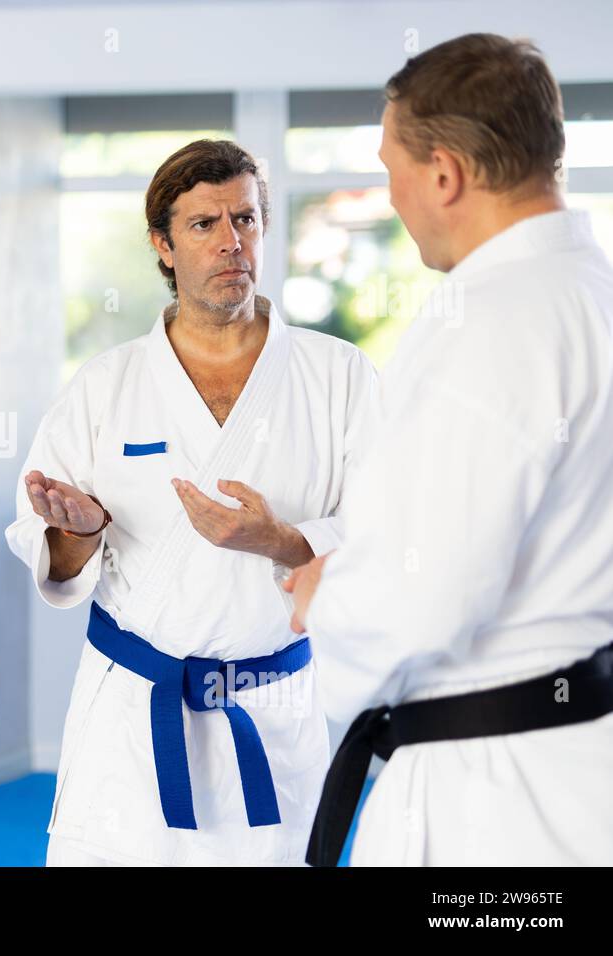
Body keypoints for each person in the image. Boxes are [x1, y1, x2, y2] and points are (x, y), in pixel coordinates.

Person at [286, 33, 613, 867]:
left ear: (444, 174)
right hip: (572, 762)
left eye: (393, 169)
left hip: (495, 804)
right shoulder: (591, 295)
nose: (392, 197)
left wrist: (325, 599)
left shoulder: (494, 321)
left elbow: (421, 591)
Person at [6, 140, 376, 865]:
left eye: (246, 219)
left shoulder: (339, 375)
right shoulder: (106, 384)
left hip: (272, 709)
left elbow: (392, 526)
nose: (231, 241)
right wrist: (79, 531)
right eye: (204, 224)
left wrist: (282, 540)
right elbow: (40, 536)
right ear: (163, 245)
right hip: (133, 716)